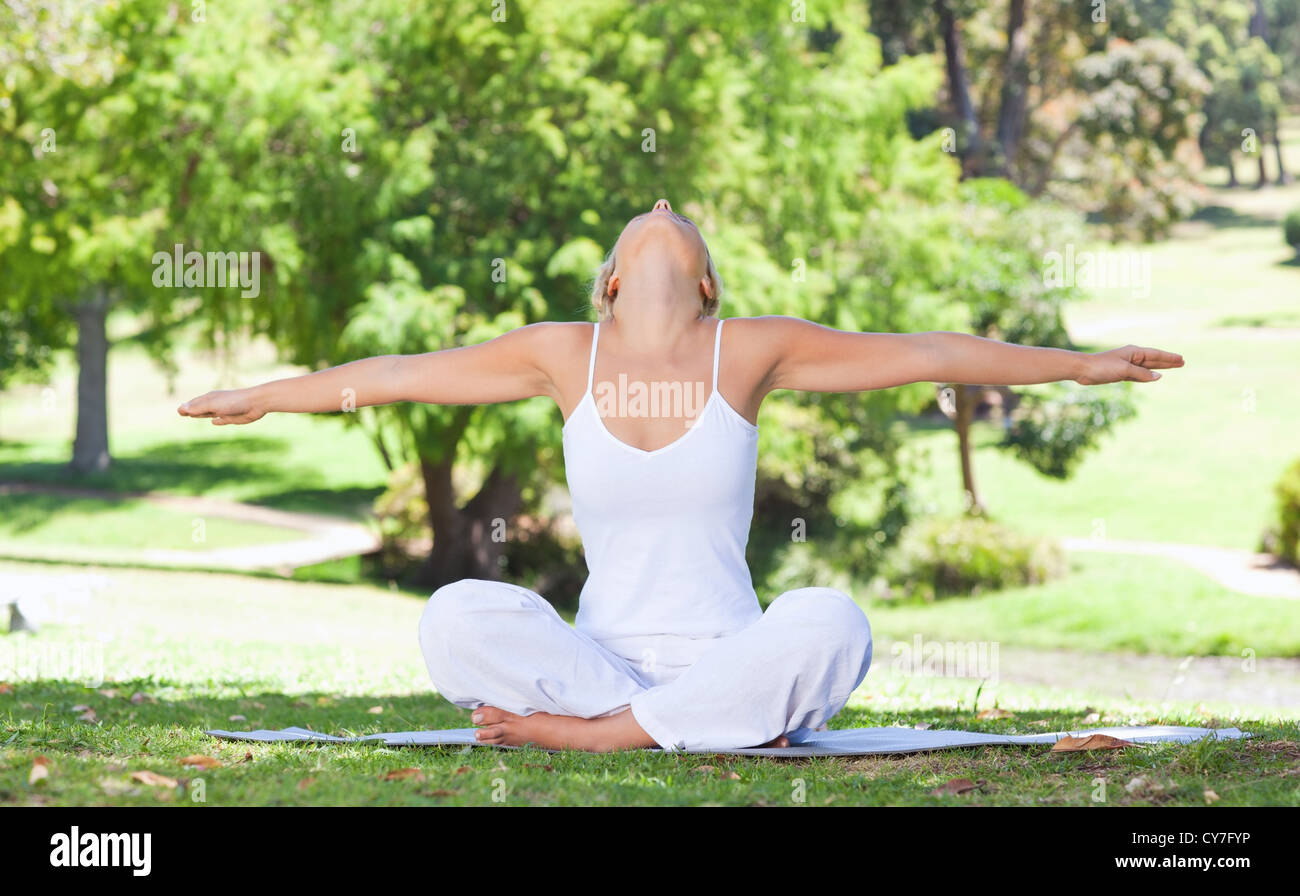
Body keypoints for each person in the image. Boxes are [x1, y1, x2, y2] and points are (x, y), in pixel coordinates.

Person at [179, 198, 1184, 752]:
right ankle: (650, 724)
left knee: (835, 621)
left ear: (705, 282)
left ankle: (602, 739)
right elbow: (398, 376)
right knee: (450, 614)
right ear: (611, 282)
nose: (660, 205)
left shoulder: (746, 349)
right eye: (643, 215)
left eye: (678, 216)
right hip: (598, 659)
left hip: (731, 653)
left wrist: (1077, 363)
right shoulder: (559, 352)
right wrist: (263, 393)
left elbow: (928, 350)